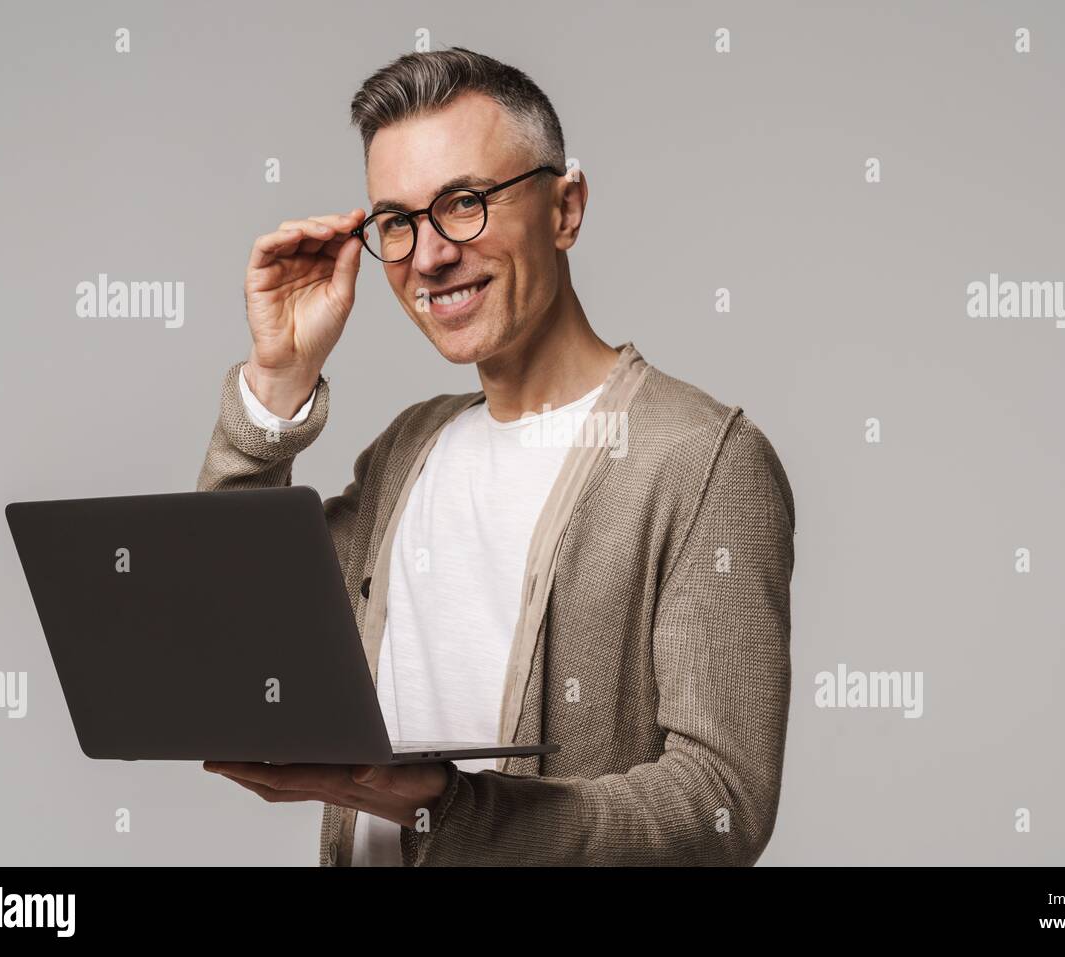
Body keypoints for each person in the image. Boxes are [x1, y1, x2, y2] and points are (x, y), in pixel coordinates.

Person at [199, 47, 796, 866]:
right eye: (399, 221)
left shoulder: (702, 457)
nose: (431, 254)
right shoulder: (409, 450)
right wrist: (277, 379)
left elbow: (719, 803)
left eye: (466, 202)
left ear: (566, 209)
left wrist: (455, 809)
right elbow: (230, 634)